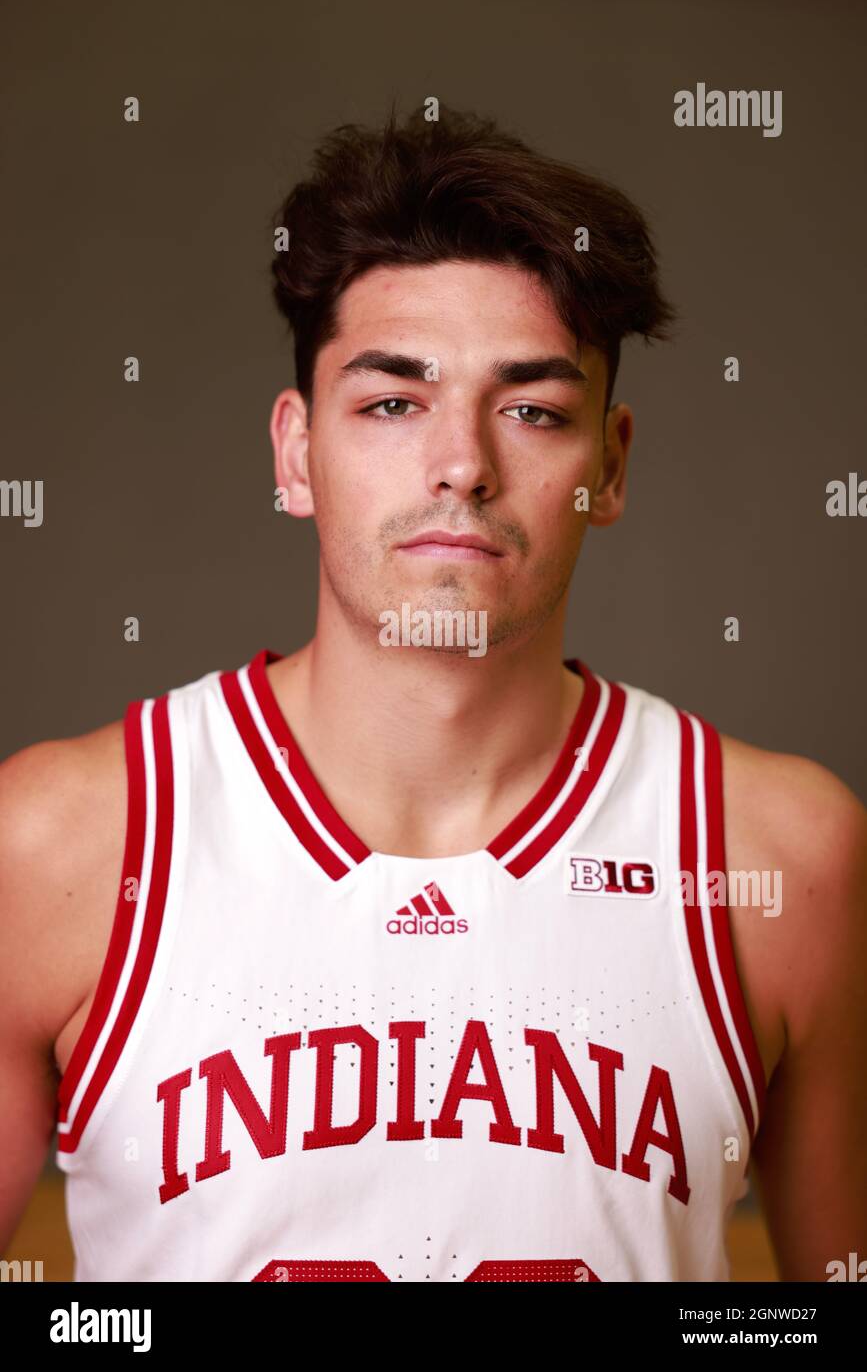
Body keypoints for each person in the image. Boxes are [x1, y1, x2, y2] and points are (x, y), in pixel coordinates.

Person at [1, 108, 864, 1283]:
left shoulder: (780, 856)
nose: (462, 462)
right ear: (297, 454)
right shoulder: (58, 845)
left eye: (532, 409)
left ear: (608, 466)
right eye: (394, 402)